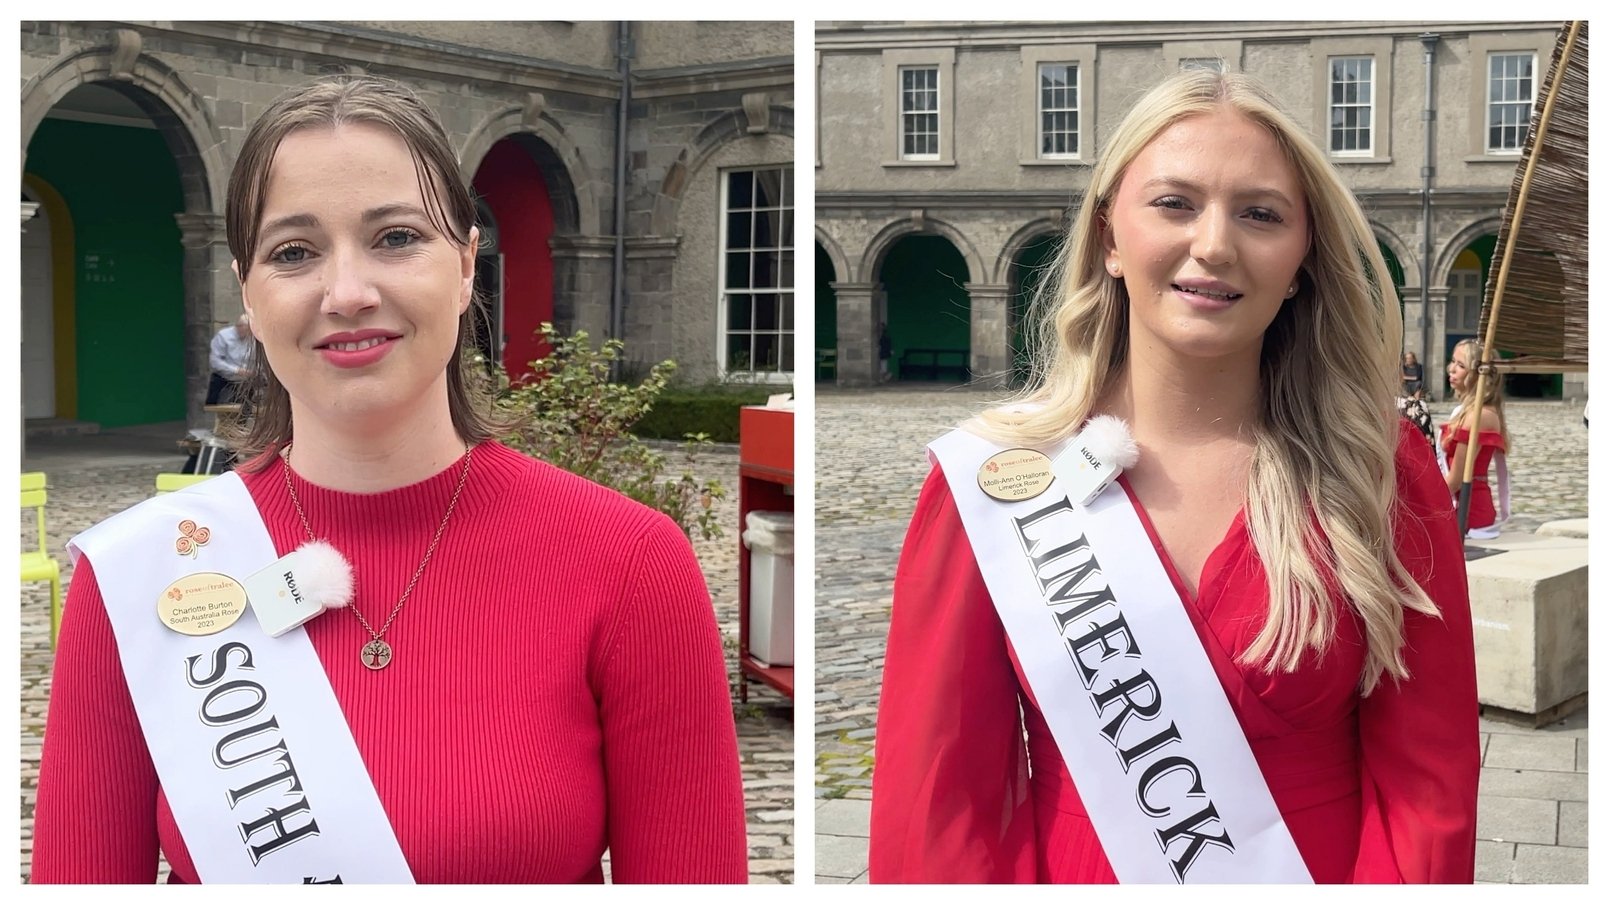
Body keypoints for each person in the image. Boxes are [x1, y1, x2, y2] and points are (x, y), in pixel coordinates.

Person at [33, 75, 747, 884]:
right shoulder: (136, 582)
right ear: (250, 292)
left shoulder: (629, 563)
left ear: (467, 262)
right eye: (294, 252)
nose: (347, 293)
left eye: (397, 237)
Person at [870, 70, 1477, 884]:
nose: (1216, 243)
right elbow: (941, 804)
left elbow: (1428, 792)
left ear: (1301, 258)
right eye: (1174, 203)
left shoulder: (1380, 469)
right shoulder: (994, 481)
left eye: (1261, 213)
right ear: (1111, 238)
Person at [1440, 338, 1511, 538]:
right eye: (1452, 361)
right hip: (1455, 507)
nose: (1451, 369)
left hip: (1468, 514)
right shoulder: (1467, 412)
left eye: (1460, 365)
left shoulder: (1479, 416)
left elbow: (1455, 481)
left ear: (1477, 374)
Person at [206, 314, 253, 404]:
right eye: (246, 330)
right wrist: (236, 370)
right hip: (224, 379)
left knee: (246, 410)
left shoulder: (252, 339)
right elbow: (215, 361)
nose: (248, 334)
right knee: (220, 409)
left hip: (245, 382)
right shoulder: (223, 336)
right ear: (239, 326)